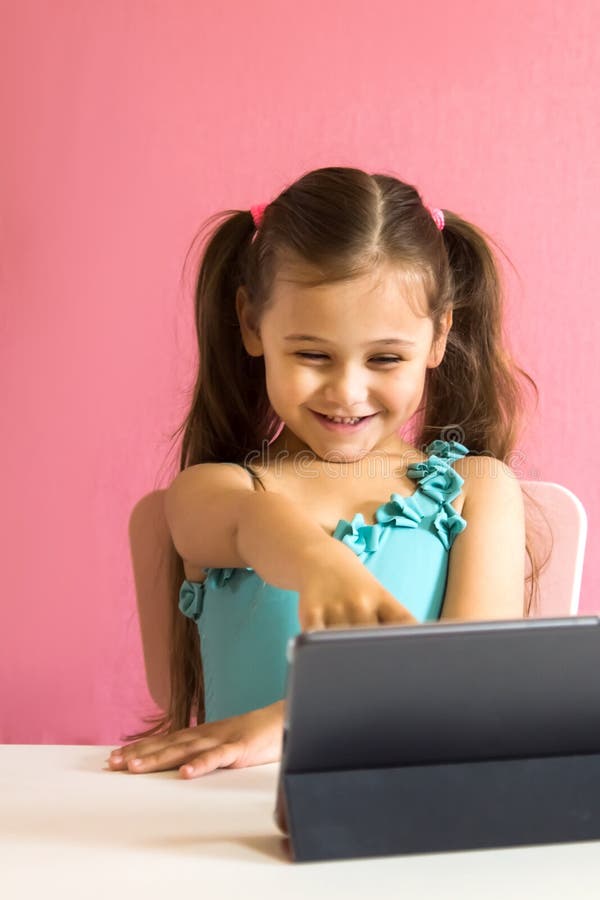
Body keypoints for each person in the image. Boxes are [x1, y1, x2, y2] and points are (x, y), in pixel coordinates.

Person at [107, 166, 541, 787]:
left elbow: (468, 687)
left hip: (416, 821)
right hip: (224, 826)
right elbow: (246, 524)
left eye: (386, 358)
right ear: (253, 326)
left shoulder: (480, 490)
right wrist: (318, 563)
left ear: (439, 337)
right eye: (312, 354)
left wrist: (290, 722)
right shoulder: (216, 493)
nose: (347, 390)